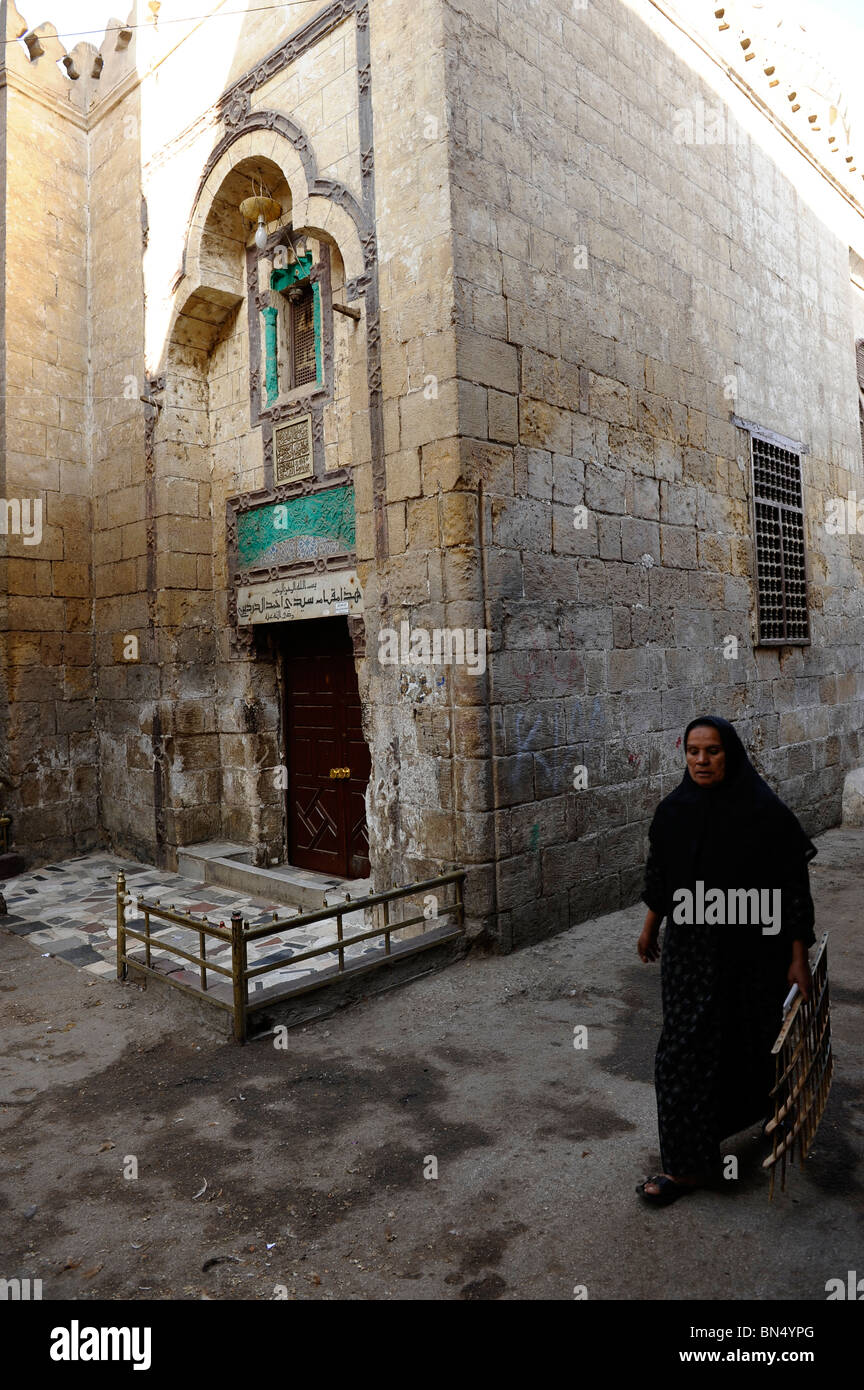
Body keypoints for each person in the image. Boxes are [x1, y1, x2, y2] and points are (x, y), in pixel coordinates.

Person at [636, 716, 816, 1205]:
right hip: (690, 953)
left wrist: (797, 956)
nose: (701, 761)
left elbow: (792, 889)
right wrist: (651, 925)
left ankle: (759, 1118)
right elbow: (662, 876)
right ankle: (685, 1166)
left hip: (751, 951)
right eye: (693, 751)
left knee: (744, 1039)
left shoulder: (763, 812)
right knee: (680, 1051)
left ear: (729, 754)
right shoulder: (674, 811)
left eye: (712, 751)